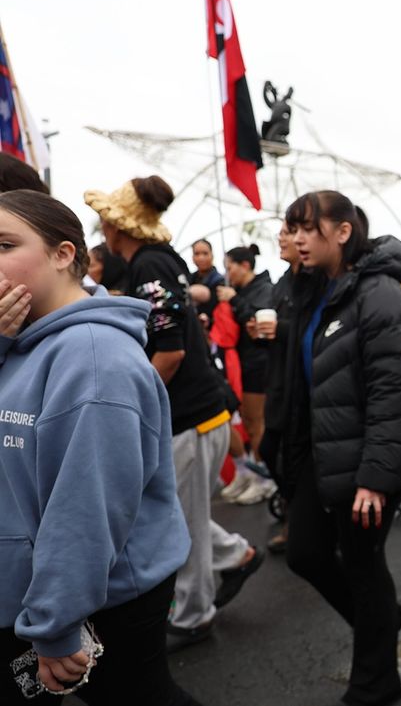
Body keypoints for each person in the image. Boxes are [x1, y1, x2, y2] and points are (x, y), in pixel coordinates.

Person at [0, 190, 200, 705]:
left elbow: (85, 512)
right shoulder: (19, 340)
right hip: (36, 591)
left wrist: (55, 624)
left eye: (4, 244)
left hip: (101, 597)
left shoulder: (95, 360)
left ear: (64, 254)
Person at [85, 176, 262, 652]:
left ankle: (194, 615)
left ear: (116, 228)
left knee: (181, 522)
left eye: (104, 226)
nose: (101, 235)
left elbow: (169, 353)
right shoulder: (155, 262)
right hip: (195, 415)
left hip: (192, 416)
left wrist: (124, 404)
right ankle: (238, 555)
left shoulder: (149, 266)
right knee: (182, 516)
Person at [279, 190, 401, 706]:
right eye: (290, 228)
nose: (295, 238)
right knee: (305, 555)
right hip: (319, 456)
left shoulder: (378, 292)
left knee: (365, 568)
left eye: (306, 228)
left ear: (342, 232)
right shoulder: (312, 288)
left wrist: (374, 478)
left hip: (368, 463)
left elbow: (393, 391)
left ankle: (375, 683)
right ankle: (382, 622)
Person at [216, 244, 277, 505]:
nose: (228, 273)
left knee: (255, 423)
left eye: (230, 267)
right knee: (250, 423)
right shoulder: (242, 290)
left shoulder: (263, 289)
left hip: (258, 365)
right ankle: (252, 473)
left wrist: (234, 300)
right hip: (242, 365)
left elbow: (255, 322)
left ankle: (265, 479)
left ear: (245, 266)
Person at [260, 222, 301, 554]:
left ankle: (297, 521)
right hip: (277, 378)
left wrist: (281, 329)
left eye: (289, 232)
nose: (282, 239)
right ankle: (294, 511)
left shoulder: (314, 281)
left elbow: (312, 330)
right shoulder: (283, 281)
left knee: (294, 454)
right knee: (269, 448)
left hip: (301, 382)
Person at [189, 239, 224, 324]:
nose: (201, 258)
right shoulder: (189, 279)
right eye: (197, 254)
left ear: (212, 255)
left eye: (205, 253)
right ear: (192, 258)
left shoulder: (220, 281)